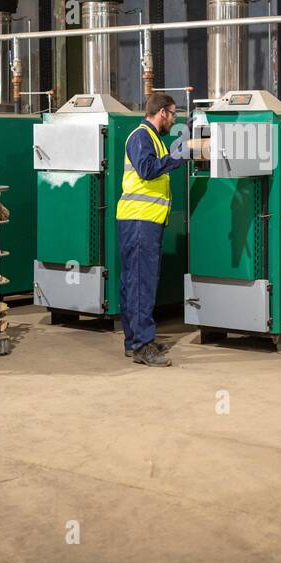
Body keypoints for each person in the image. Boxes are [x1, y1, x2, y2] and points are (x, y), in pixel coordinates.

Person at [117, 93, 187, 366]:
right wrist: (179, 156)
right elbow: (147, 170)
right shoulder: (141, 137)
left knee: (134, 282)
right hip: (139, 220)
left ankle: (134, 340)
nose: (174, 119)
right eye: (173, 114)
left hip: (143, 220)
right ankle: (142, 346)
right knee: (140, 283)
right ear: (162, 113)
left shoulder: (153, 138)